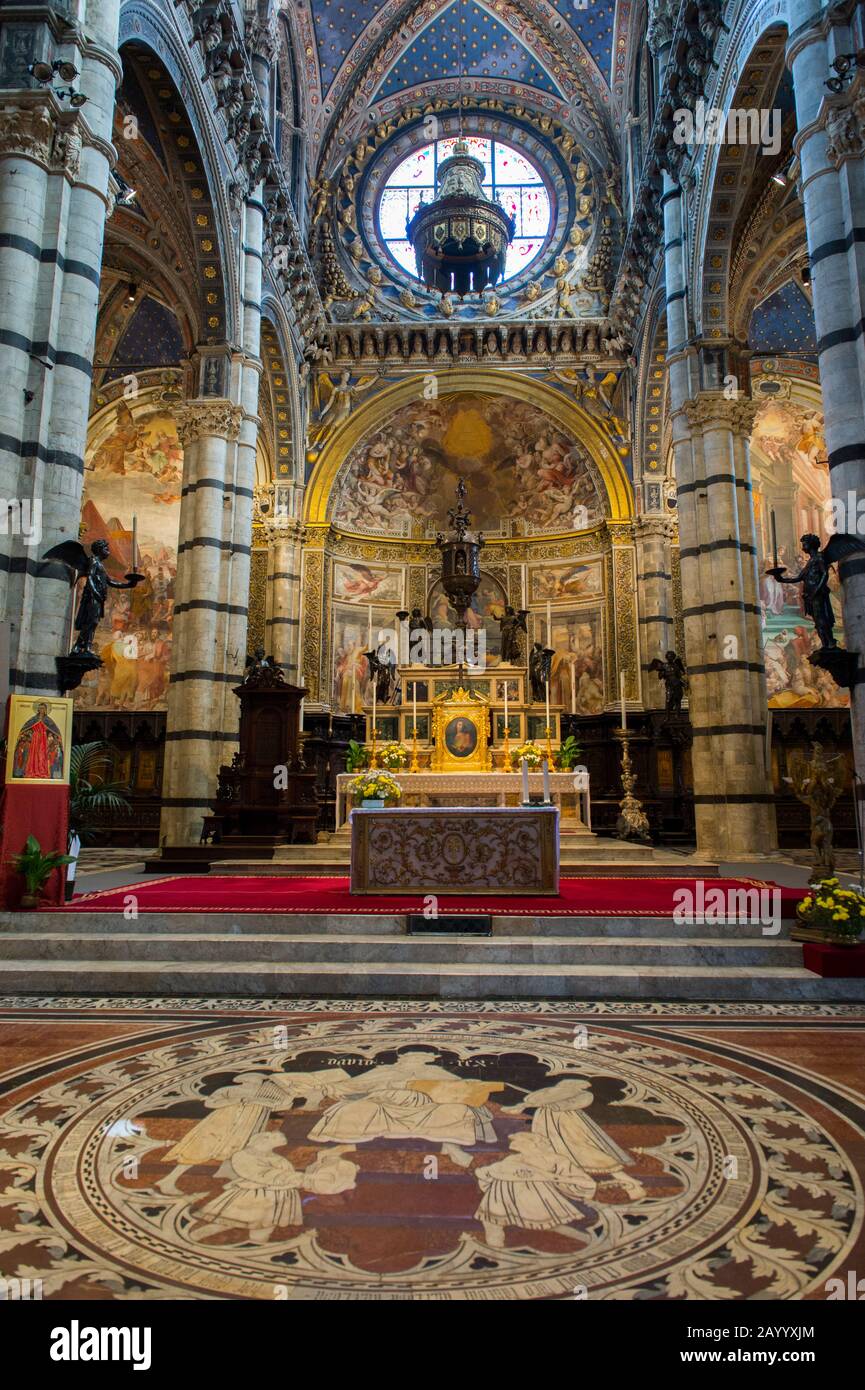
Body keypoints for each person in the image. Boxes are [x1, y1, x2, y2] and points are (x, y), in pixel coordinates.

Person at [13, 702, 64, 779]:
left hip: (43, 739)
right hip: (35, 739)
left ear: (46, 710)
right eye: (40, 708)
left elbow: (54, 730)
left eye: (43, 708)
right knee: (33, 754)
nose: (41, 710)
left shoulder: (48, 720)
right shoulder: (33, 719)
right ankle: (32, 771)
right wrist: (24, 735)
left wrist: (57, 738)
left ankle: (42, 771)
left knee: (42, 755)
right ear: (38, 709)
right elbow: (26, 728)